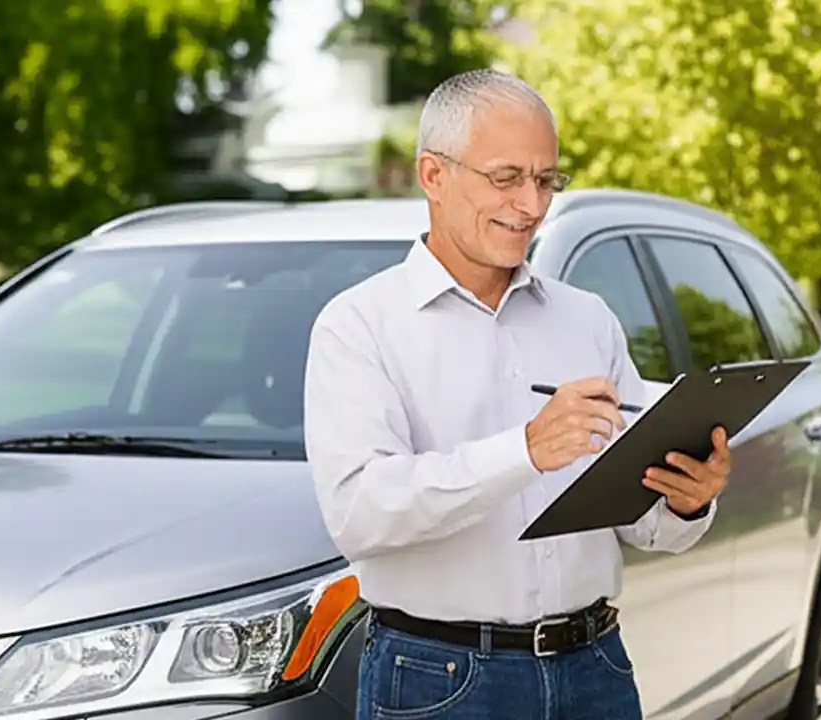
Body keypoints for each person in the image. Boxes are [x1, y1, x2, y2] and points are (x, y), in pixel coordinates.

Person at [302, 69, 731, 719]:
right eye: (506, 178)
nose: (530, 205)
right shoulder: (358, 325)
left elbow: (645, 526)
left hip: (596, 670)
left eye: (546, 180)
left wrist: (688, 503)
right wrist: (524, 450)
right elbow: (362, 512)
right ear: (433, 176)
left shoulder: (587, 319)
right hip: (439, 684)